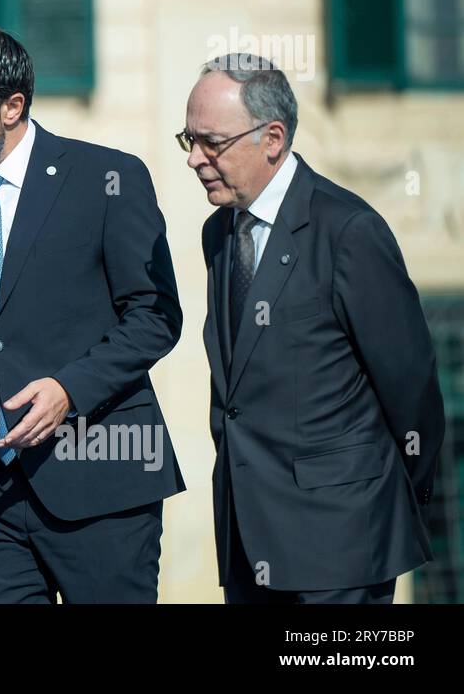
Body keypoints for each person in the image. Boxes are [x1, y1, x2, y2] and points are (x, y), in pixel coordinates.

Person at [0, 22, 184, 603]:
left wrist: (69, 390)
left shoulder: (107, 180)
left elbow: (155, 313)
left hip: (101, 487)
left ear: (12, 106)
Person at [182, 53, 444, 603]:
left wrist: (389, 498)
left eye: (212, 142)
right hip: (249, 543)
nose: (196, 160)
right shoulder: (219, 234)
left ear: (272, 138)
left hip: (341, 543)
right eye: (189, 141)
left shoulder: (348, 230)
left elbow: (411, 385)